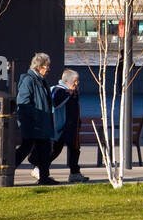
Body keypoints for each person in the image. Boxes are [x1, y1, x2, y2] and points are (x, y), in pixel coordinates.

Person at [14, 52, 58, 184]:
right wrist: (35, 117)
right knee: (25, 149)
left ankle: (44, 178)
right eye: (46, 66)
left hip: (42, 124)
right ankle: (7, 172)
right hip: (34, 124)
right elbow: (23, 102)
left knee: (45, 150)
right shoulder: (29, 80)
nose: (49, 69)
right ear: (39, 66)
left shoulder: (41, 80)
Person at [49, 67, 89, 184]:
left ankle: (75, 173)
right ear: (66, 81)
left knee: (75, 150)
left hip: (72, 127)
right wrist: (68, 94)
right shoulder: (58, 90)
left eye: (77, 81)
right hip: (61, 127)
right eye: (75, 81)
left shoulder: (73, 92)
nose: (77, 84)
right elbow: (55, 104)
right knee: (55, 150)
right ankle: (41, 168)